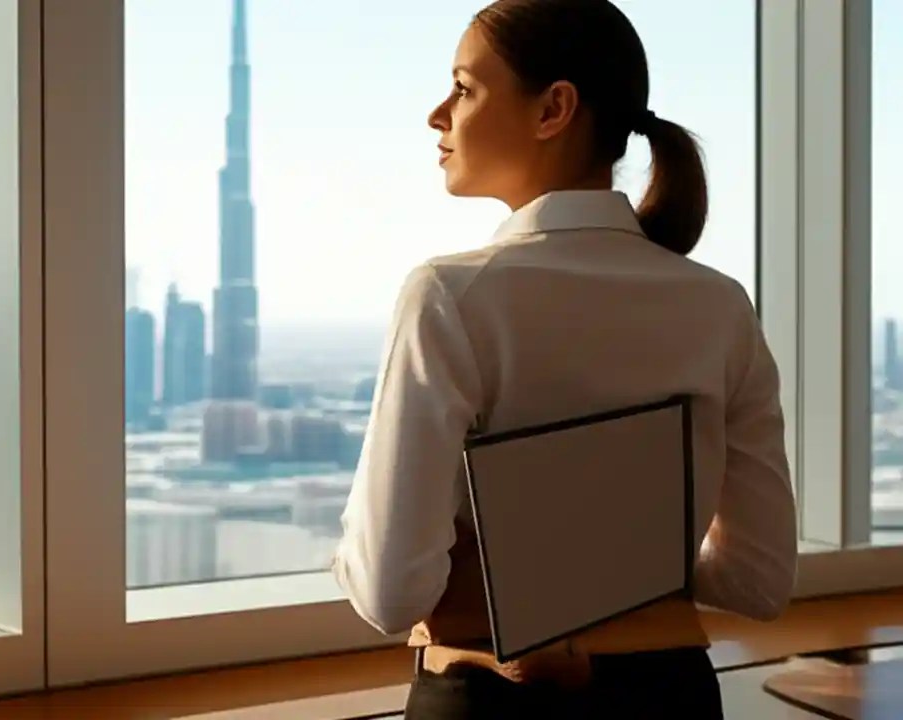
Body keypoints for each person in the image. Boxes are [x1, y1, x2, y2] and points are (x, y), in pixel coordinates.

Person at [329, 0, 798, 717]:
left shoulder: (450, 296)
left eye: (463, 88)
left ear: (554, 108)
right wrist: (628, 565)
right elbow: (757, 580)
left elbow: (389, 593)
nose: (437, 114)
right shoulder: (721, 305)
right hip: (672, 697)